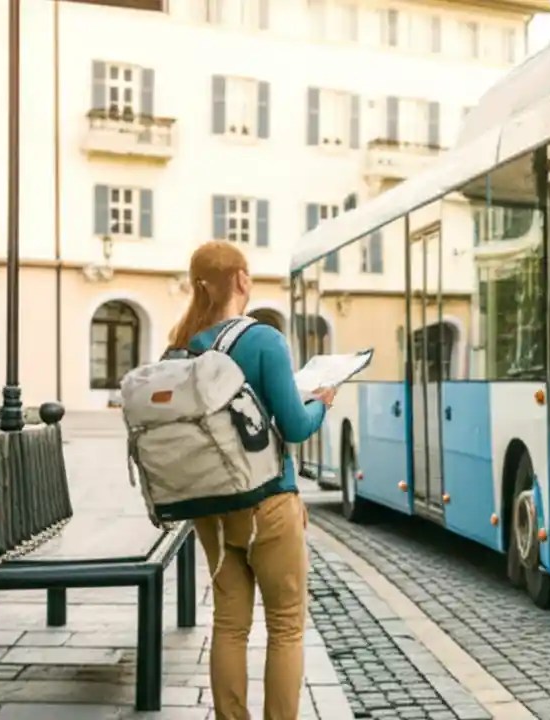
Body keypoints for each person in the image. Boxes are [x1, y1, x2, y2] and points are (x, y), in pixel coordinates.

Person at [167, 241, 336, 720]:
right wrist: (321, 400)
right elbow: (297, 427)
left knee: (229, 625)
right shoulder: (264, 340)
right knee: (285, 627)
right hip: (267, 503)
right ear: (241, 279)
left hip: (210, 508)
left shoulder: (183, 345)